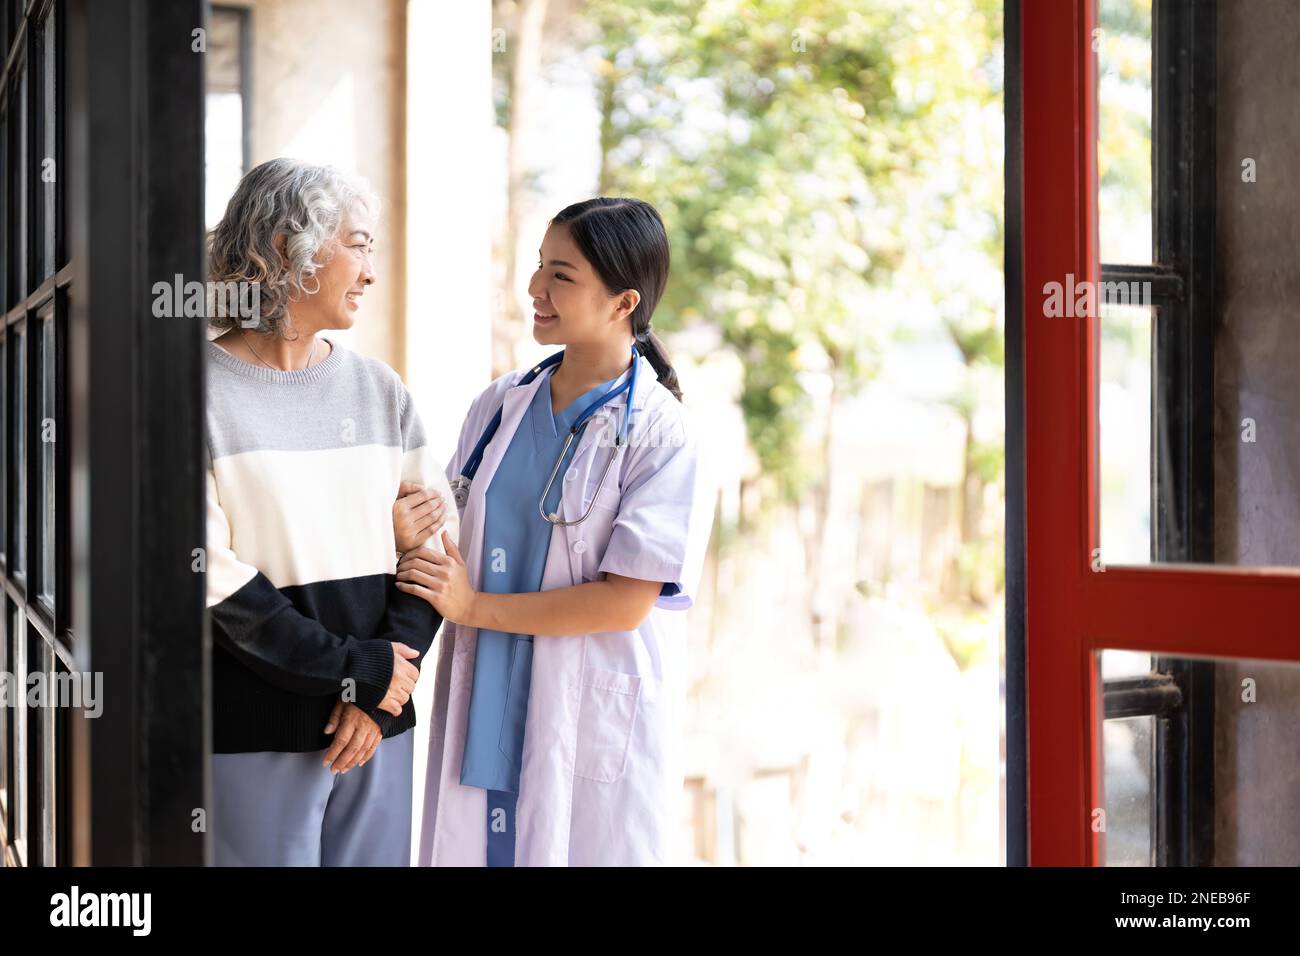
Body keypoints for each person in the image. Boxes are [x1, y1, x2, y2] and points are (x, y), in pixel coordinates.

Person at [395, 197, 713, 866]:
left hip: (581, 709)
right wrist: (406, 526)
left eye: (561, 275)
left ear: (622, 303)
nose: (535, 288)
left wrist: (474, 607)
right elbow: (448, 527)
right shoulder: (498, 405)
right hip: (486, 700)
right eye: (540, 267)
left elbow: (626, 602)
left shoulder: (660, 434)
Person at [204, 157, 456, 866]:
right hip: (254, 730)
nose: (371, 270)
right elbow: (212, 584)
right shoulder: (195, 397)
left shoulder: (380, 391)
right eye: (359, 243)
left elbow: (436, 553)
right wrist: (358, 669)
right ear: (290, 249)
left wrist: (377, 695)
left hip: (377, 731)